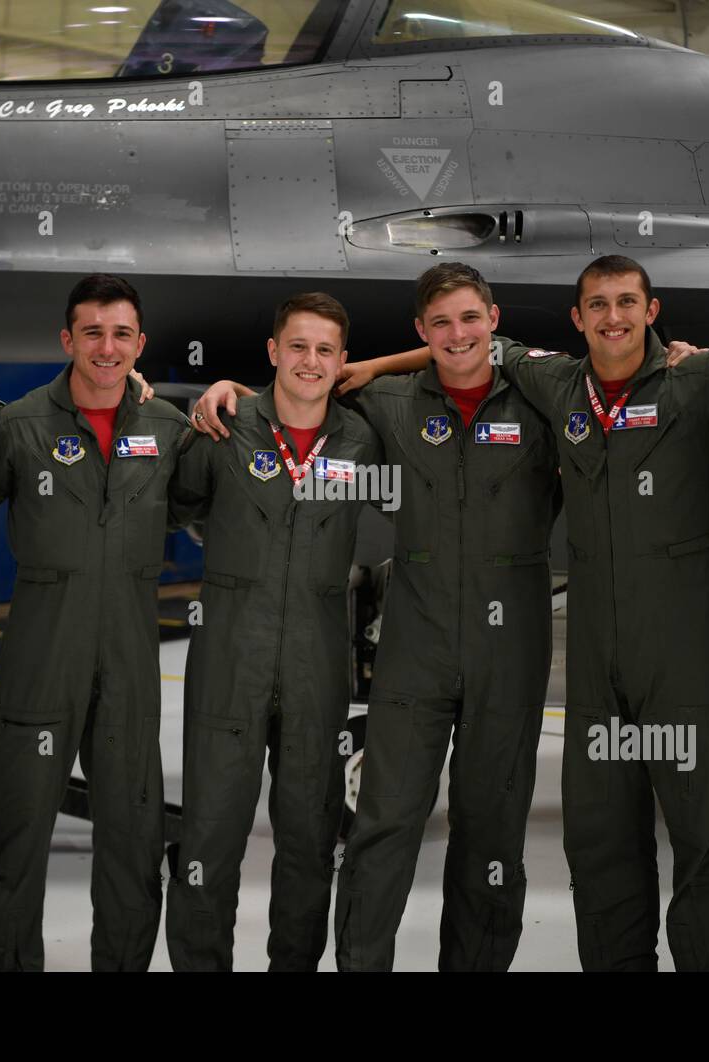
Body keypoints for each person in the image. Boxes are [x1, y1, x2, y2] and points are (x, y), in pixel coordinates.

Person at [334, 254, 709, 970]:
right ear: (577, 318)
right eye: (597, 304)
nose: (613, 317)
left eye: (628, 302)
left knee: (703, 845)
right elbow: (472, 345)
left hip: (684, 660)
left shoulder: (703, 378)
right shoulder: (555, 381)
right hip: (598, 669)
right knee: (599, 845)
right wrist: (369, 369)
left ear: (653, 312)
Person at [191, 263, 563, 971]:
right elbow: (299, 405)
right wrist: (230, 390)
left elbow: (597, 373)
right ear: (421, 331)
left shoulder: (539, 400)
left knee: (492, 834)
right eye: (441, 323)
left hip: (509, 642)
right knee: (383, 824)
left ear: (495, 319)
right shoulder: (388, 406)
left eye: (471, 319)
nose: (458, 335)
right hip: (415, 644)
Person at [0, 274, 193, 971]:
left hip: (129, 662)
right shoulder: (19, 427)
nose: (107, 346)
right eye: (92, 332)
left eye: (121, 333)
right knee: (19, 841)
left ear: (141, 344)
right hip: (42, 658)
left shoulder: (169, 429)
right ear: (67, 339)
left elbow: (208, 509)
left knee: (132, 842)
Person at [164, 293, 382, 971]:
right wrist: (199, 403)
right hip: (231, 658)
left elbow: (450, 365)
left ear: (343, 361)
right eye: (297, 346)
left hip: (317, 662)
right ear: (272, 353)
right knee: (208, 839)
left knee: (311, 842)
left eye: (324, 350)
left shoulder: (361, 439)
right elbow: (168, 505)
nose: (310, 361)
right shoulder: (224, 428)